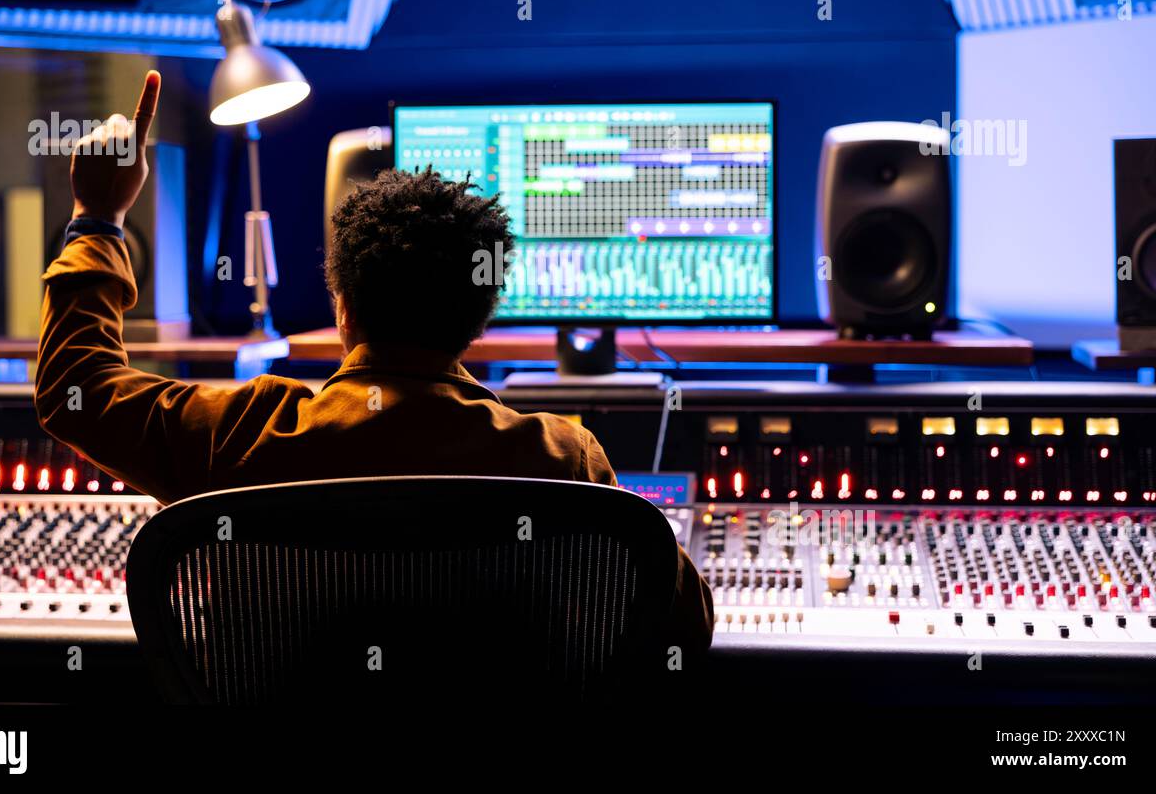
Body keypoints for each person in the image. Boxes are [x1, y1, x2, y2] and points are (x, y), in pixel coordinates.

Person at [35, 71, 713, 655]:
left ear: (342, 306)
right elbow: (683, 630)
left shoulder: (238, 434)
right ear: (482, 317)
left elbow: (76, 387)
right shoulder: (562, 460)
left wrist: (97, 217)